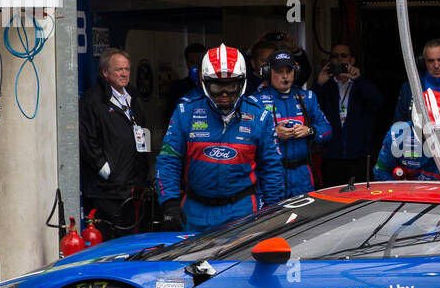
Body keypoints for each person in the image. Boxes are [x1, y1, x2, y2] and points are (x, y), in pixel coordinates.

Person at [157, 44, 284, 233]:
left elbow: (272, 168)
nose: (224, 93)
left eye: (231, 86)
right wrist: (170, 203)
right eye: (218, 86)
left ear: (241, 83)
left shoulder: (260, 116)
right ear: (205, 83)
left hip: (241, 211)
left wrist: (272, 211)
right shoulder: (186, 112)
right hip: (194, 209)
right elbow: (168, 160)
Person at [79, 48, 153, 240]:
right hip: (107, 193)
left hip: (133, 190)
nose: (124, 73)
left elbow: (143, 131)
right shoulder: (93, 100)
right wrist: (106, 171)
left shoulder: (133, 96)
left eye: (127, 69)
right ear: (105, 72)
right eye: (119, 69)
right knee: (110, 245)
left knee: (133, 242)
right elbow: (87, 140)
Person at [253, 49, 331, 197]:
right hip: (271, 174)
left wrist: (309, 131)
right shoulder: (256, 101)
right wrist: (274, 133)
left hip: (303, 174)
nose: (285, 76)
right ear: (268, 72)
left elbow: (327, 130)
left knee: (306, 217)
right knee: (273, 218)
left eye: (289, 71)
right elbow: (247, 138)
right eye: (279, 71)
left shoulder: (307, 97)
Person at [373, 90, 440, 182]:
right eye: (430, 132)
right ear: (416, 127)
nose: (436, 139)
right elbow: (381, 172)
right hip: (410, 200)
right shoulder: (397, 135)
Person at [314, 41, 383, 186]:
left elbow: (378, 102)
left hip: (359, 155)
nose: (339, 60)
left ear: (352, 60)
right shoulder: (326, 86)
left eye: (344, 56)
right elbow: (310, 111)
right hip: (332, 156)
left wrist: (359, 80)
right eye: (335, 56)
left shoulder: (361, 84)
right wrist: (319, 84)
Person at [165, 42, 207, 120]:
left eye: (198, 62)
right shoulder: (177, 89)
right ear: (187, 64)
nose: (196, 66)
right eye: (192, 62)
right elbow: (171, 117)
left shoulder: (214, 86)